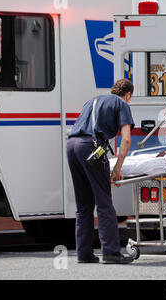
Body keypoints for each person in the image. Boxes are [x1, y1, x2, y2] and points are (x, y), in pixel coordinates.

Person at [66, 78, 135, 264]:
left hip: (72, 146)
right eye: (130, 98)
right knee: (104, 202)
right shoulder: (122, 104)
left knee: (83, 205)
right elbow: (126, 139)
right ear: (128, 95)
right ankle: (111, 253)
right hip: (91, 147)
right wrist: (117, 169)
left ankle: (84, 254)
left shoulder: (93, 101)